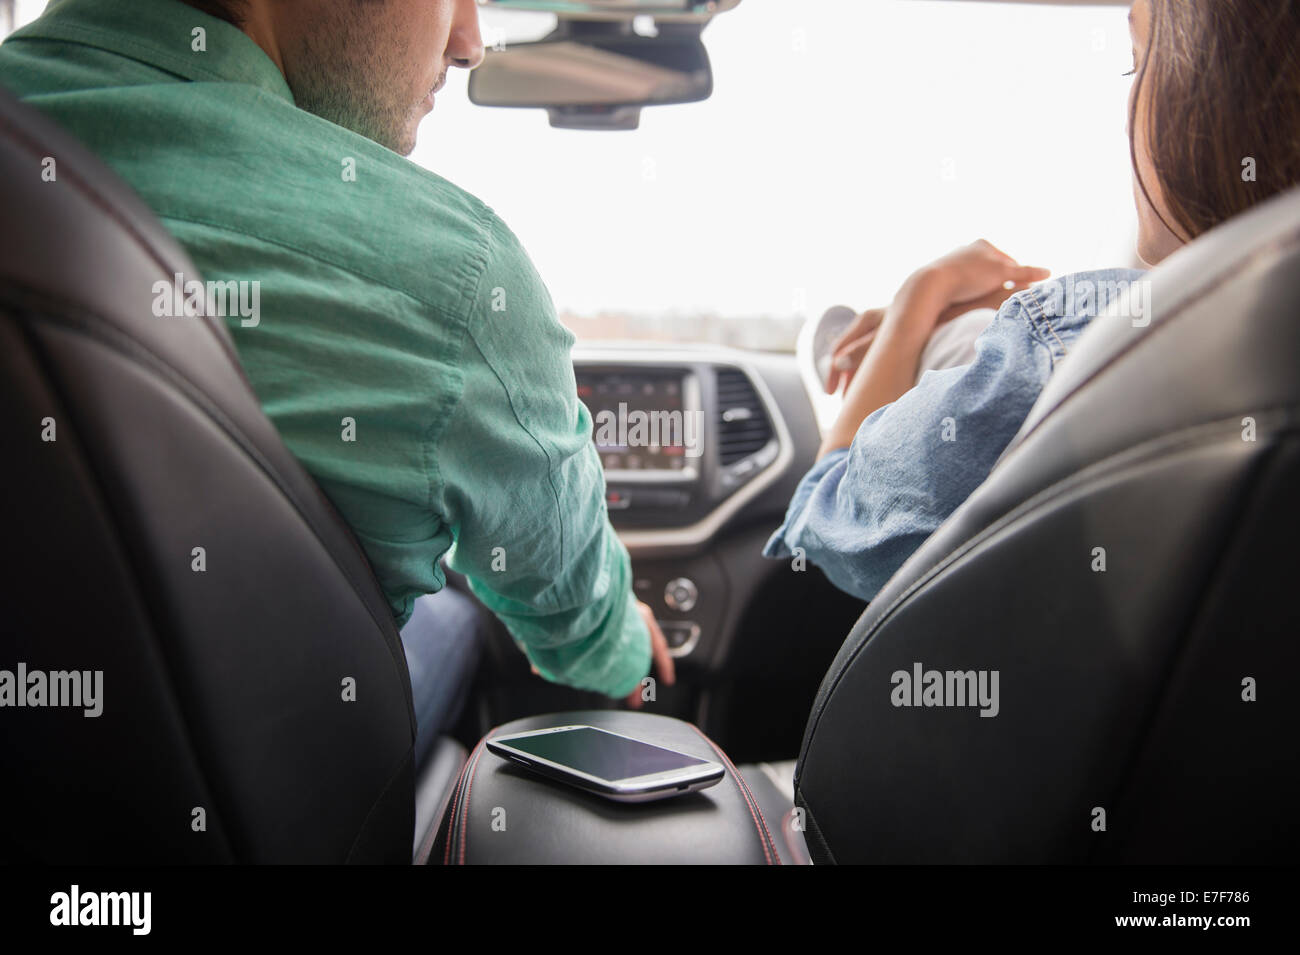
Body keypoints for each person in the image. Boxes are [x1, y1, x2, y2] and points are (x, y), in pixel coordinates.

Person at [0, 0, 674, 758]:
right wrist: (625, 651)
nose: (470, 42)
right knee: (453, 614)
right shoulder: (460, 284)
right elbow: (567, 613)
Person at [765, 0, 1300, 603]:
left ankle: (921, 357)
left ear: (1214, 77)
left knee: (960, 345)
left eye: (1136, 62)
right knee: (970, 340)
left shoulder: (1069, 344)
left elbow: (828, 520)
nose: (1127, 115)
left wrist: (919, 299)